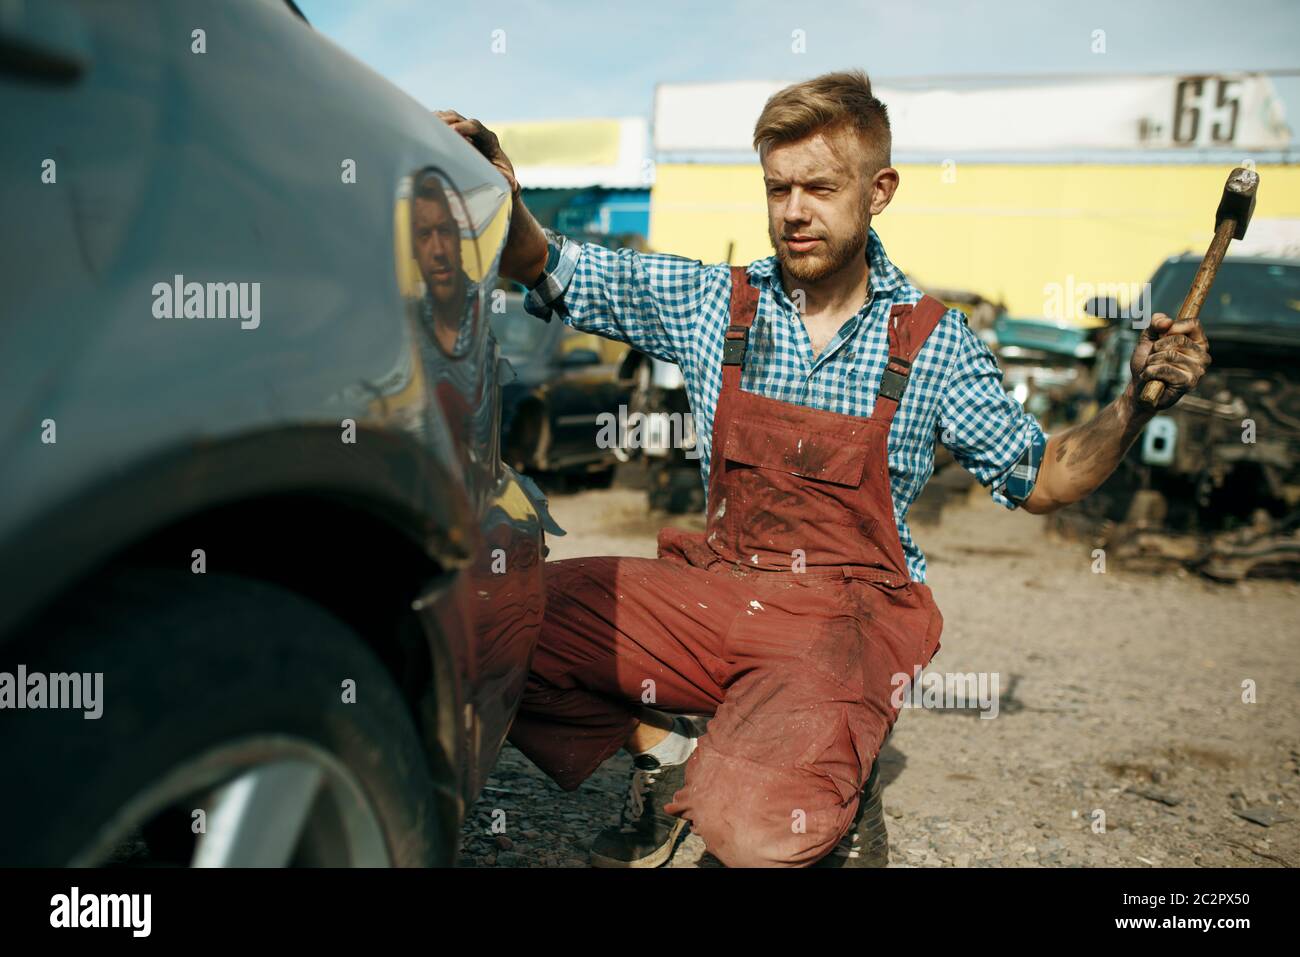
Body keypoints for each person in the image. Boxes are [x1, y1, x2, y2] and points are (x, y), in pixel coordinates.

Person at [437, 69, 1211, 868]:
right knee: (483, 618)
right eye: (778, 189)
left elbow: (1044, 476)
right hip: (723, 586)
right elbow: (547, 264)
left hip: (844, 619)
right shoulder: (716, 302)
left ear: (879, 191)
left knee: (752, 831)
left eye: (819, 187)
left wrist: (1134, 406)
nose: (794, 211)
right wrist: (499, 194)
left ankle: (818, 768)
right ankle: (672, 759)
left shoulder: (932, 342)